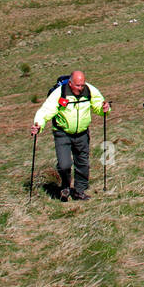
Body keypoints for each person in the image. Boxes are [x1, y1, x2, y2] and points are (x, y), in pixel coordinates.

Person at [30, 70, 110, 201]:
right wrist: (38, 125)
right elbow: (46, 110)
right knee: (64, 165)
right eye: (78, 85)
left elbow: (99, 105)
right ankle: (65, 186)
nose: (80, 88)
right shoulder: (59, 93)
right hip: (62, 133)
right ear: (70, 83)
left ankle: (79, 191)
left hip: (82, 133)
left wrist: (104, 108)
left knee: (83, 163)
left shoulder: (89, 90)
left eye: (82, 85)